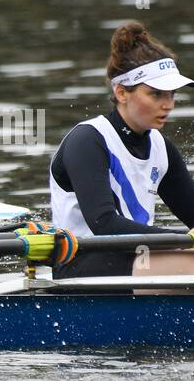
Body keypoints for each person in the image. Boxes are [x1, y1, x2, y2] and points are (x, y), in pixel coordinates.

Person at [49, 21, 194, 279]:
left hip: (137, 257)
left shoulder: (161, 147)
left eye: (171, 95)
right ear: (121, 92)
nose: (168, 105)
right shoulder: (87, 140)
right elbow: (104, 223)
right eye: (156, 94)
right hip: (81, 264)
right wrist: (181, 239)